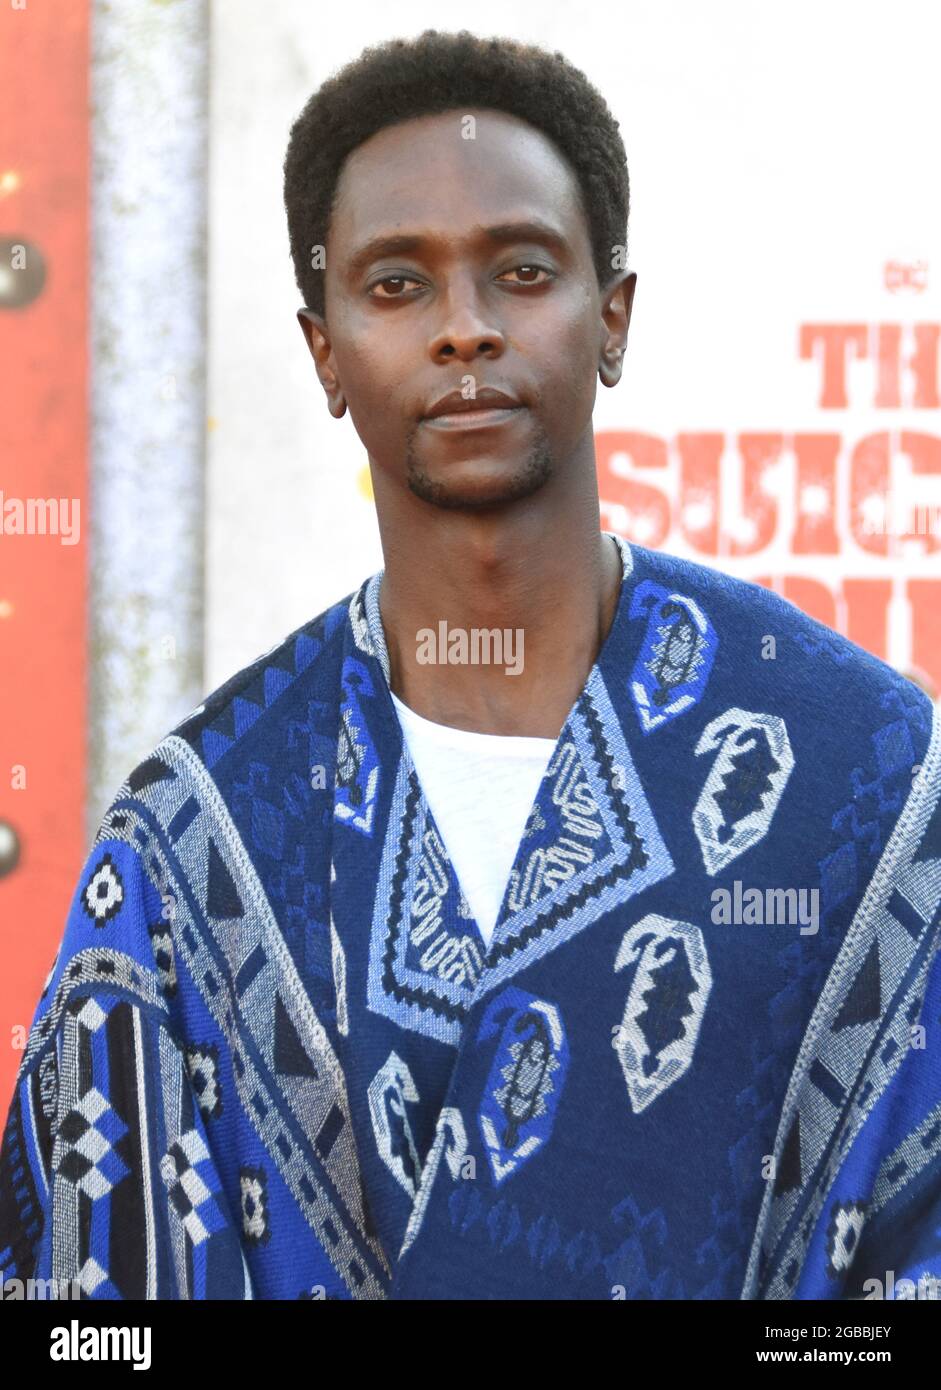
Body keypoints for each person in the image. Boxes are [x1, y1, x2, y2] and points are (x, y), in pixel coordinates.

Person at [2, 28, 939, 1302]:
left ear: (611, 315)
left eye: (520, 270)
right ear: (323, 348)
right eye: (396, 285)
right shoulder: (193, 837)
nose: (463, 330)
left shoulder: (856, 771)